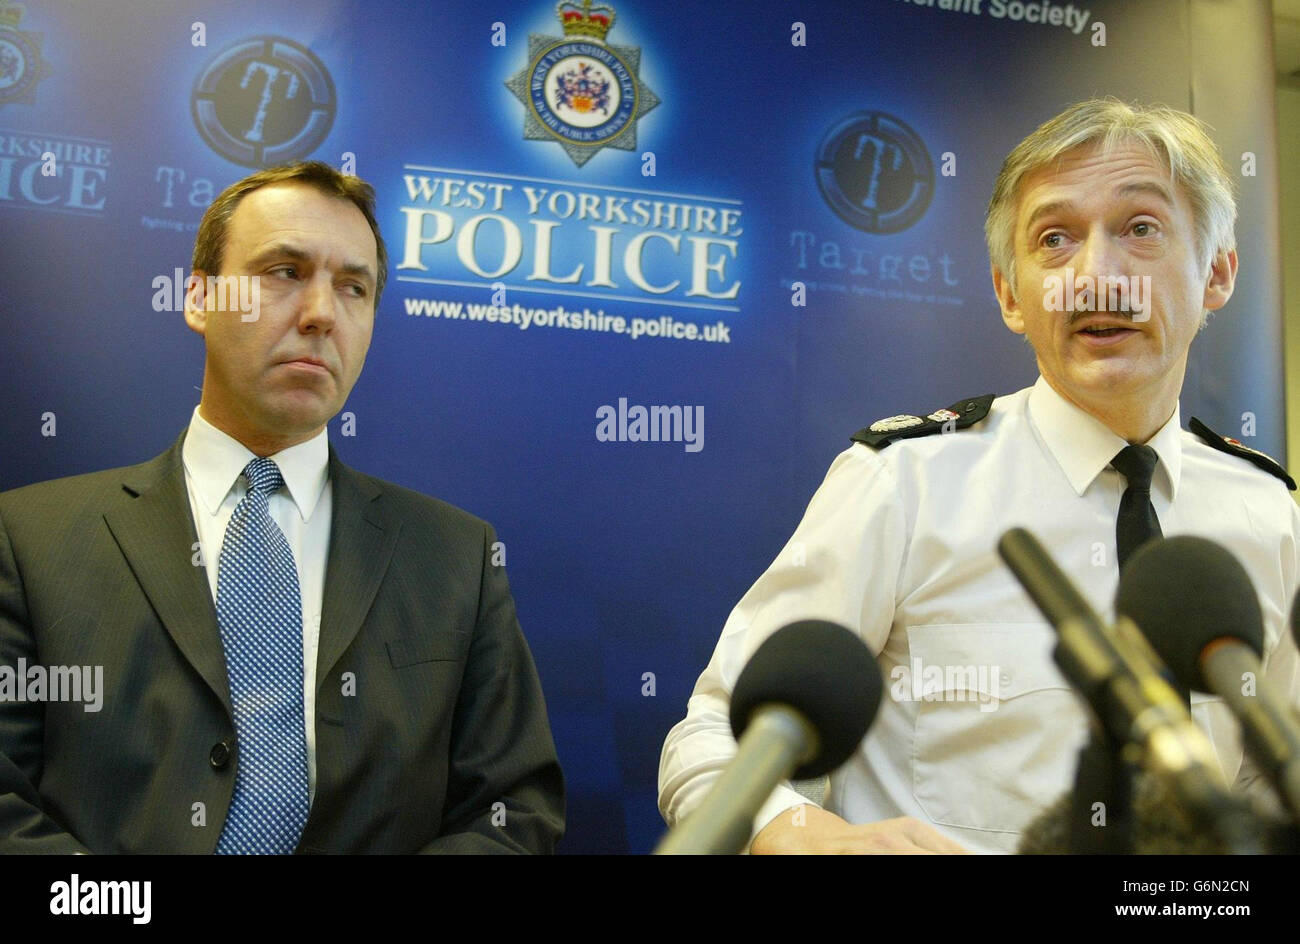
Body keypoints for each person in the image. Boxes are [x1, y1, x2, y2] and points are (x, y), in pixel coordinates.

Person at [658, 99, 1300, 854]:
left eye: (1140, 229)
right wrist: (807, 836)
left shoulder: (1273, 514)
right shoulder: (905, 481)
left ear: (1218, 273)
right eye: (1055, 239)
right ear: (1008, 295)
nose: (1096, 276)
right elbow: (711, 739)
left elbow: (1268, 783)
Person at [0, 161, 564, 853]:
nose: (322, 313)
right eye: (284, 273)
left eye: (353, 288)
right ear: (199, 297)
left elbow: (514, 809)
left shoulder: (458, 559)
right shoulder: (30, 540)